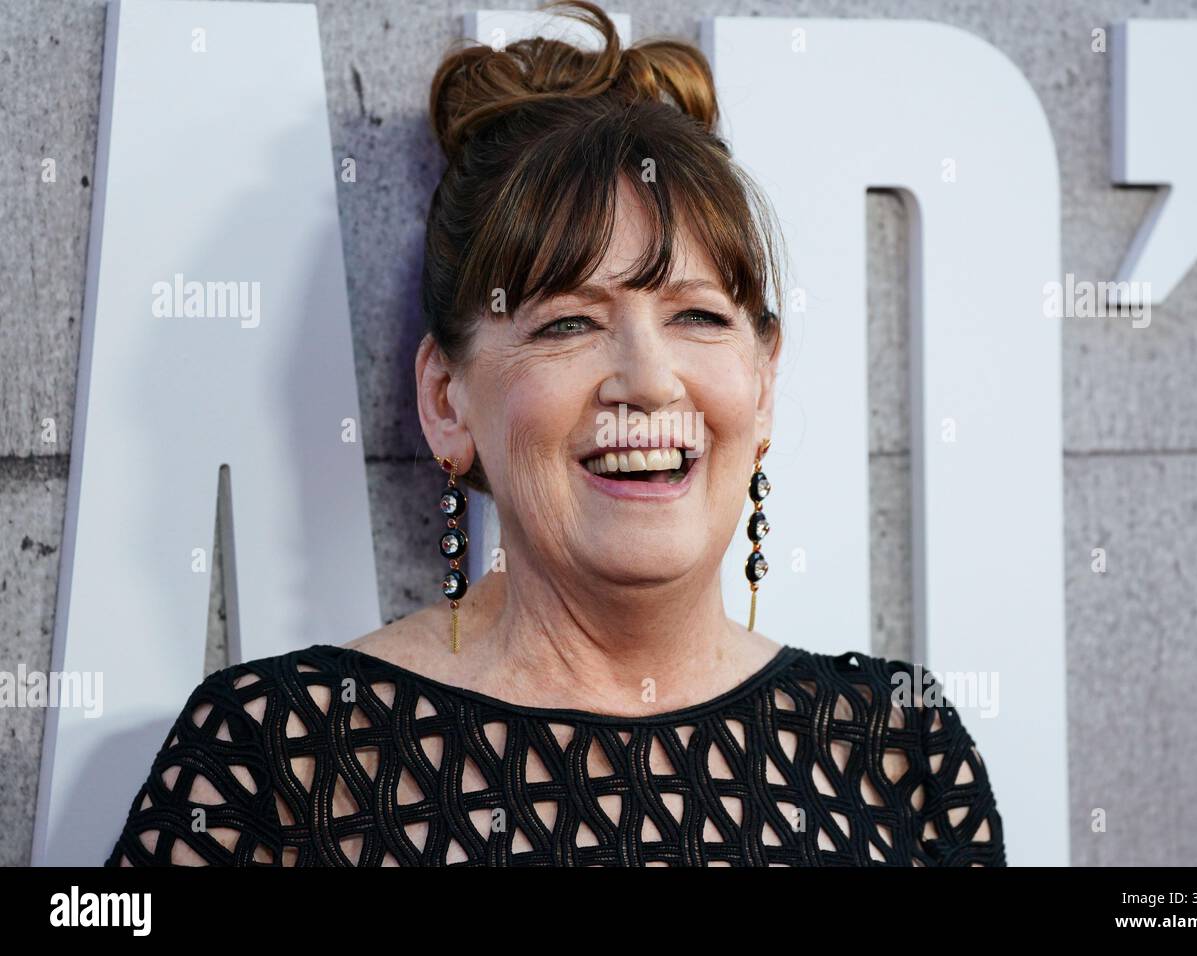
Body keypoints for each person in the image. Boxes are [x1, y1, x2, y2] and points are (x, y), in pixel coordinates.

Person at [106, 0, 1005, 867]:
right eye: (567, 324)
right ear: (446, 402)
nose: (650, 381)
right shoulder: (277, 763)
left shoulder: (902, 757)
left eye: (697, 317)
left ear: (764, 382)